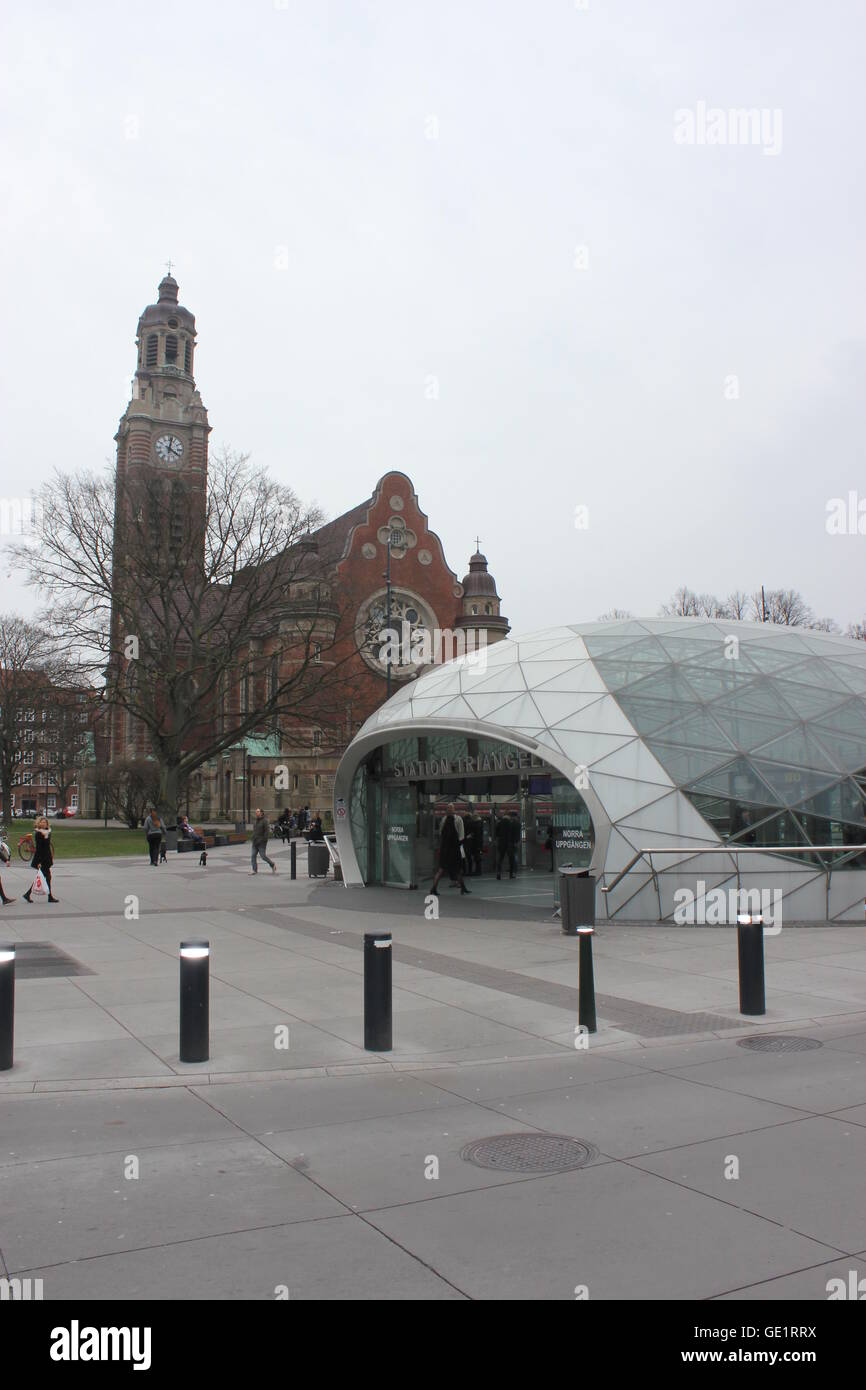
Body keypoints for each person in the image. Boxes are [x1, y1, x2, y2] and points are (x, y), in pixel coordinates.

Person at [431, 805, 470, 896]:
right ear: (454, 810)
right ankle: (463, 888)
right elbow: (461, 835)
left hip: (445, 849)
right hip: (454, 850)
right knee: (458, 869)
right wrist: (463, 842)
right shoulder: (458, 819)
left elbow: (441, 834)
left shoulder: (443, 820)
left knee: (440, 870)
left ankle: (433, 888)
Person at [23, 815, 58, 903]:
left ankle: (28, 894)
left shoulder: (48, 832)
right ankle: (49, 897)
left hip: (47, 857)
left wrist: (50, 857)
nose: (44, 824)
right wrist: (39, 861)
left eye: (45, 822)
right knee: (46, 877)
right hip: (41, 858)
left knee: (45, 877)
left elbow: (47, 846)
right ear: (39, 824)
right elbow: (39, 848)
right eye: (42, 822)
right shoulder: (38, 833)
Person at [250, 807, 277, 874]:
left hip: (261, 843)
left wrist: (263, 840)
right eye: (256, 811)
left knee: (263, 857)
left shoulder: (265, 821)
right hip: (255, 842)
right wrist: (252, 837)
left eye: (258, 811)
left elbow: (266, 832)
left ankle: (272, 864)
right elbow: (254, 830)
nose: (256, 813)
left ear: (261, 813)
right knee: (253, 856)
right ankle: (254, 870)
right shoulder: (255, 821)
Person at [495, 814, 515, 880]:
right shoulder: (511, 823)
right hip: (509, 843)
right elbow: (513, 833)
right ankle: (511, 874)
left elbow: (496, 833)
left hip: (501, 843)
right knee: (511, 859)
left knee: (500, 858)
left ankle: (498, 873)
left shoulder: (499, 823)